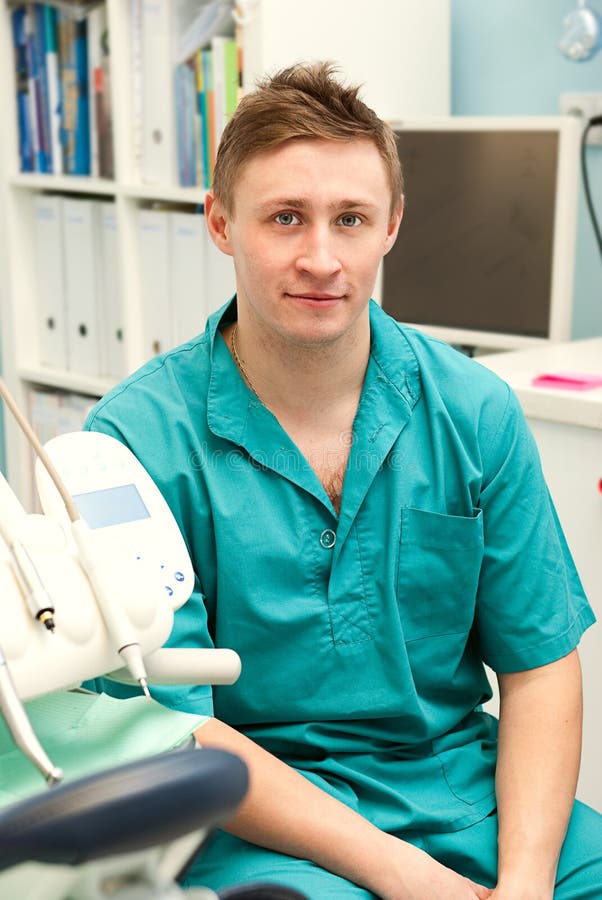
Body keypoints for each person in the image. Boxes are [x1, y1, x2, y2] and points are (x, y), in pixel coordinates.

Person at [84, 62, 602, 899]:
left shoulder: (476, 411)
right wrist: (407, 875)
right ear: (221, 223)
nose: (320, 258)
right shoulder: (135, 441)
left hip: (463, 790)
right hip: (260, 818)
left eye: (350, 219)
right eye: (285, 217)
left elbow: (540, 666)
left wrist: (528, 881)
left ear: (391, 225)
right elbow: (173, 723)